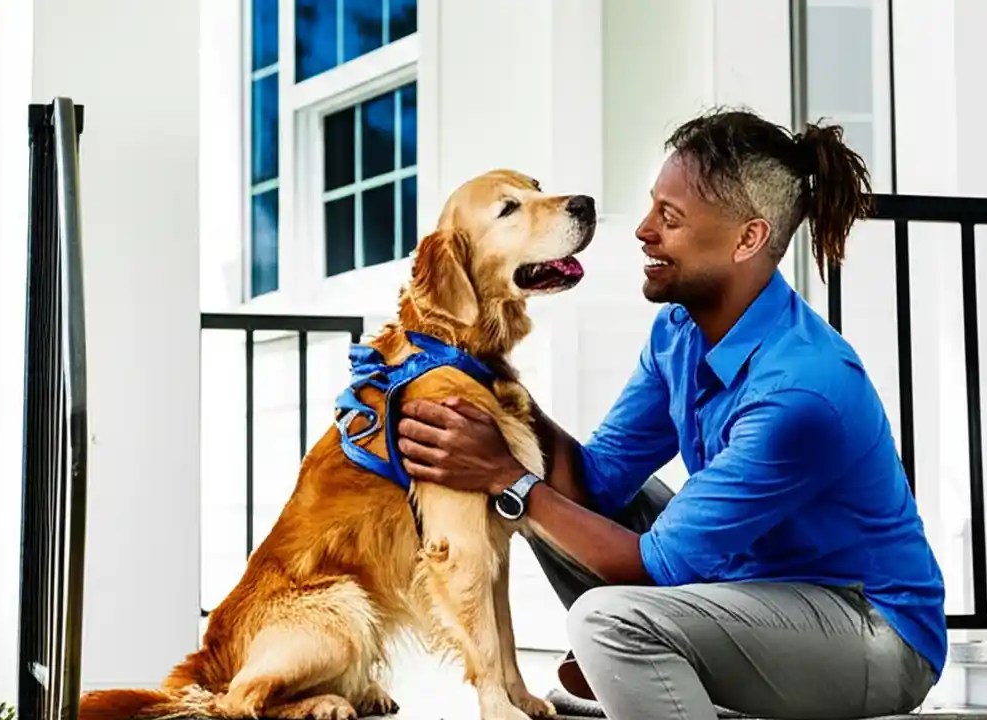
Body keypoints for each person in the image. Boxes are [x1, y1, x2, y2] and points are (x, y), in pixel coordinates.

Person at [394, 108, 947, 720]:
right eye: (652, 207)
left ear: (747, 239)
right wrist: (488, 383)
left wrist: (505, 475)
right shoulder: (679, 333)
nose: (642, 230)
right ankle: (667, 679)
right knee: (556, 494)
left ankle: (651, 670)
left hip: (870, 633)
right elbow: (597, 482)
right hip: (750, 587)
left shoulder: (801, 392)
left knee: (603, 616)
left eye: (670, 218)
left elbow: (655, 566)